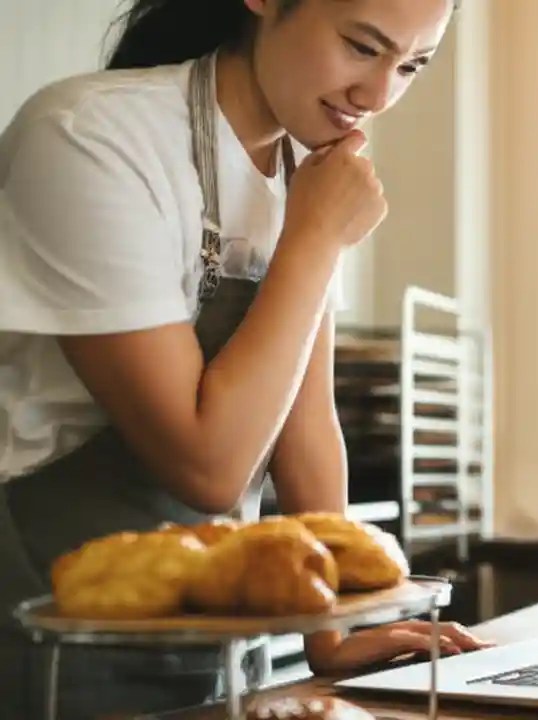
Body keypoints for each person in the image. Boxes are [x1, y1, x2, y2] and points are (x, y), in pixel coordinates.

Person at [0, 1, 489, 717]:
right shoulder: (89, 137)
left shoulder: (308, 171)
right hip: (42, 611)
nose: (378, 96)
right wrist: (314, 241)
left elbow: (308, 421)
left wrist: (339, 626)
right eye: (361, 46)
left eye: (410, 65)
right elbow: (207, 465)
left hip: (213, 631)